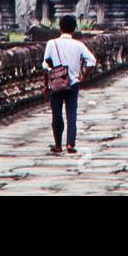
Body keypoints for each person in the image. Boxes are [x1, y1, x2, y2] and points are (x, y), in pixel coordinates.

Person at [42, 15, 97, 155]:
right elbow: (92, 61)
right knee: (71, 114)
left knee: (56, 114)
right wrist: (83, 76)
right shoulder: (78, 45)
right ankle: (70, 144)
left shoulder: (51, 43)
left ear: (60, 28)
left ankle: (58, 145)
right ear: (74, 29)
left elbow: (45, 65)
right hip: (73, 83)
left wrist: (45, 85)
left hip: (56, 84)